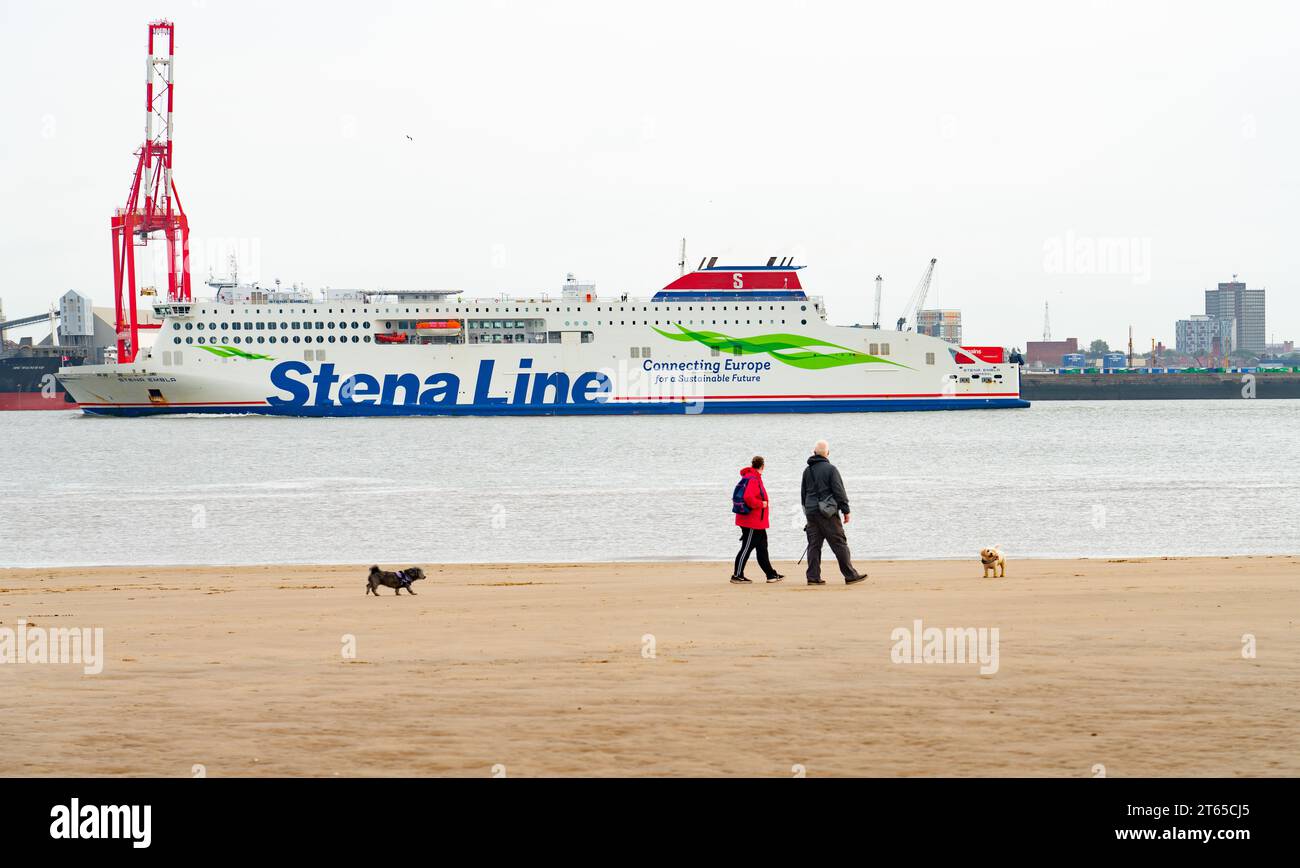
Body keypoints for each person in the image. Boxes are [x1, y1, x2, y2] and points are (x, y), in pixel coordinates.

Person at [800, 440, 867, 586]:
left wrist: (807, 511)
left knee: (814, 545)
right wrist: (846, 510)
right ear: (827, 453)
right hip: (827, 513)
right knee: (839, 543)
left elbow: (803, 494)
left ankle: (813, 577)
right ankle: (850, 575)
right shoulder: (831, 469)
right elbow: (839, 491)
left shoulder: (807, 471)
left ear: (814, 452)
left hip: (811, 512)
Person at [730, 456, 784, 585]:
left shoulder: (752, 477)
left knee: (762, 548)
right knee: (746, 548)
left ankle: (771, 574)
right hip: (751, 521)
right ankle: (737, 575)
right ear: (763, 466)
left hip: (757, 522)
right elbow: (748, 497)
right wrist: (761, 504)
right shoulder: (753, 478)